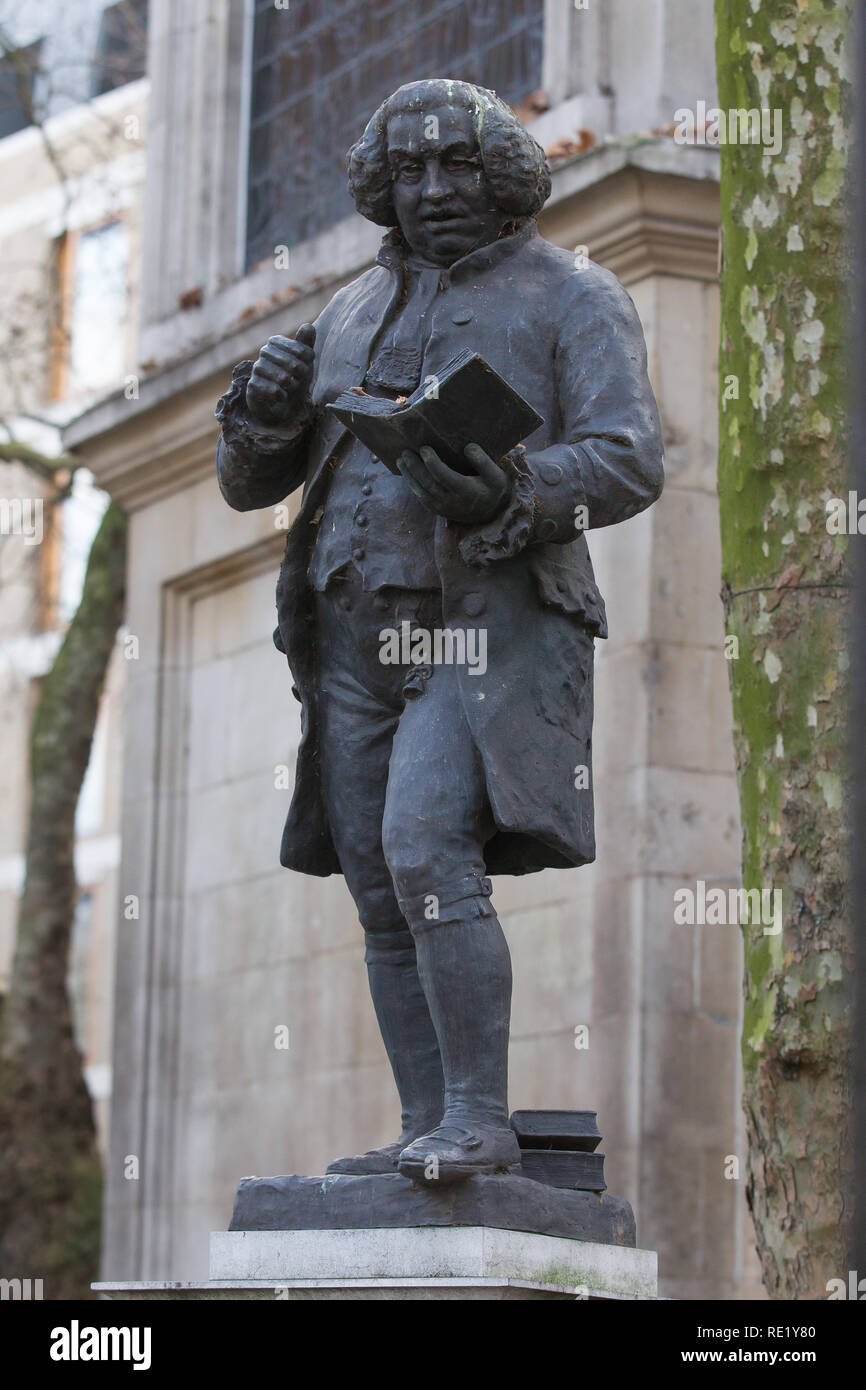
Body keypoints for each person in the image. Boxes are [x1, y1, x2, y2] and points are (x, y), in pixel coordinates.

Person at [215, 79, 664, 1183]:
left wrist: (507, 484)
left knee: (423, 848)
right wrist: (264, 412)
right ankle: (427, 1127)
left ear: (501, 172)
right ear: (383, 188)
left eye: (456, 168)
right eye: (409, 173)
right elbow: (247, 484)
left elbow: (628, 459)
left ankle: (479, 1116)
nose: (432, 192)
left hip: (477, 634)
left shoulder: (573, 294)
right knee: (375, 880)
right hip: (347, 647)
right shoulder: (348, 313)